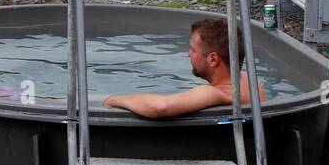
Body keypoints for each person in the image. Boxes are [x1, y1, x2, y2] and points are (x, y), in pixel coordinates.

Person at [103, 18, 266, 118]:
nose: (188, 54)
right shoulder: (251, 82)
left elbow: (162, 107)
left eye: (193, 50)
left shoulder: (216, 93)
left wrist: (114, 99)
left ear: (213, 59)